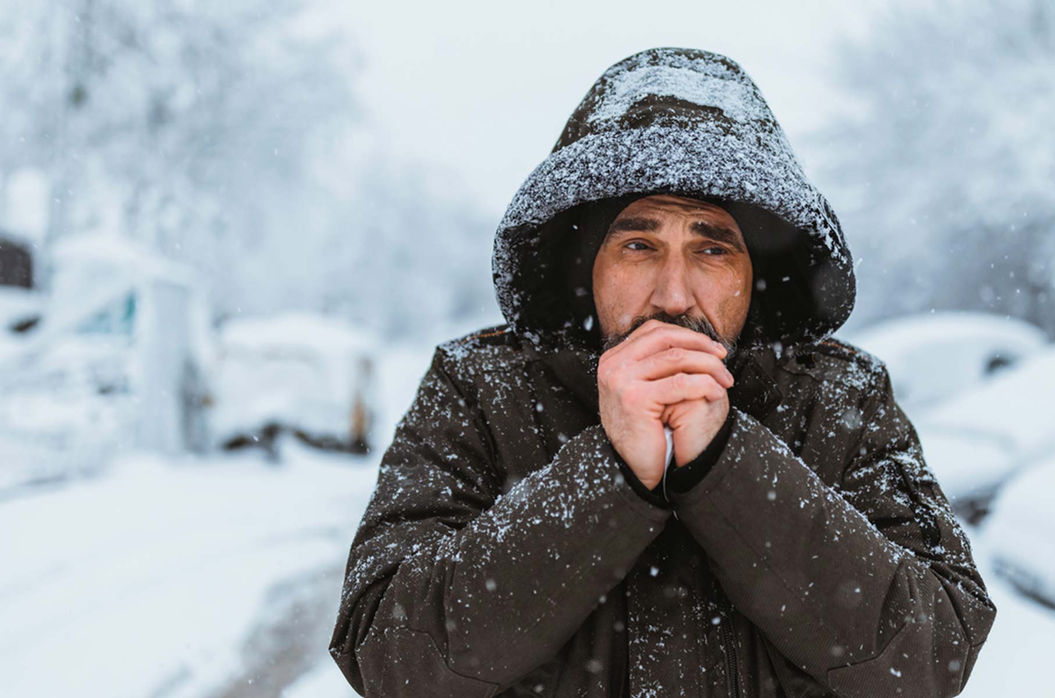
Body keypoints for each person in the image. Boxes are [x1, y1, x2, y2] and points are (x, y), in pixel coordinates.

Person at [329, 46, 996, 697]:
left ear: (755, 278)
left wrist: (727, 465)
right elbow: (390, 662)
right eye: (639, 245)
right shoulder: (481, 390)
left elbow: (931, 657)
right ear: (584, 268)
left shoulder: (841, 399)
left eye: (712, 248)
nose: (674, 295)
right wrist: (610, 473)